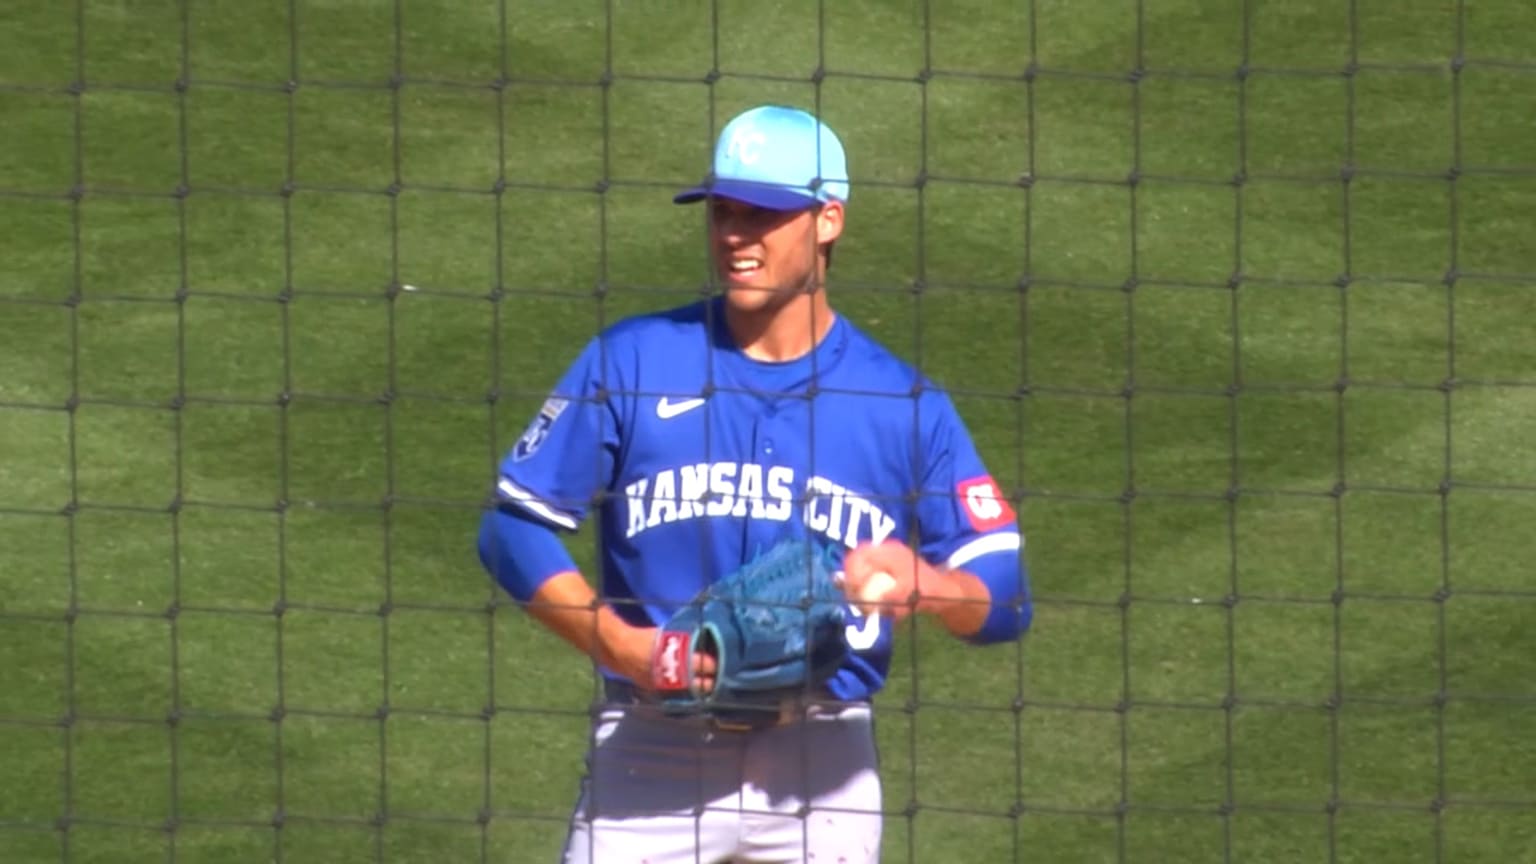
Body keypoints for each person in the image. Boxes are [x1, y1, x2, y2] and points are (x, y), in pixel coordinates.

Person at [477, 104, 1033, 864]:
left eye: (765, 214)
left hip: (822, 769)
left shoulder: (903, 404)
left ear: (829, 220)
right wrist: (628, 649)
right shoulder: (631, 362)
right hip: (650, 749)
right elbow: (511, 526)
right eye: (724, 213)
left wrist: (928, 584)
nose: (736, 235)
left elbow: (1005, 595)